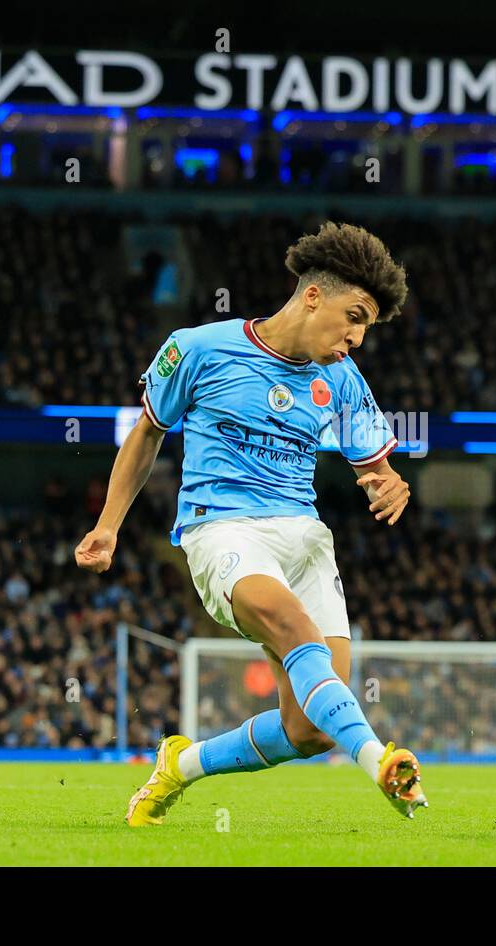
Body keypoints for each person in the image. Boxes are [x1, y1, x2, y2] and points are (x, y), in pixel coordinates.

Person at [74, 221, 428, 824]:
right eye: (354, 317)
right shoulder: (199, 348)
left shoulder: (342, 378)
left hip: (305, 539)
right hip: (224, 529)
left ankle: (181, 765)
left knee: (311, 730)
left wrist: (389, 482)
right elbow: (148, 433)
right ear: (312, 296)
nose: (357, 337)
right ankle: (379, 761)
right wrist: (109, 526)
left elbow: (376, 467)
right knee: (295, 630)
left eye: (366, 327)